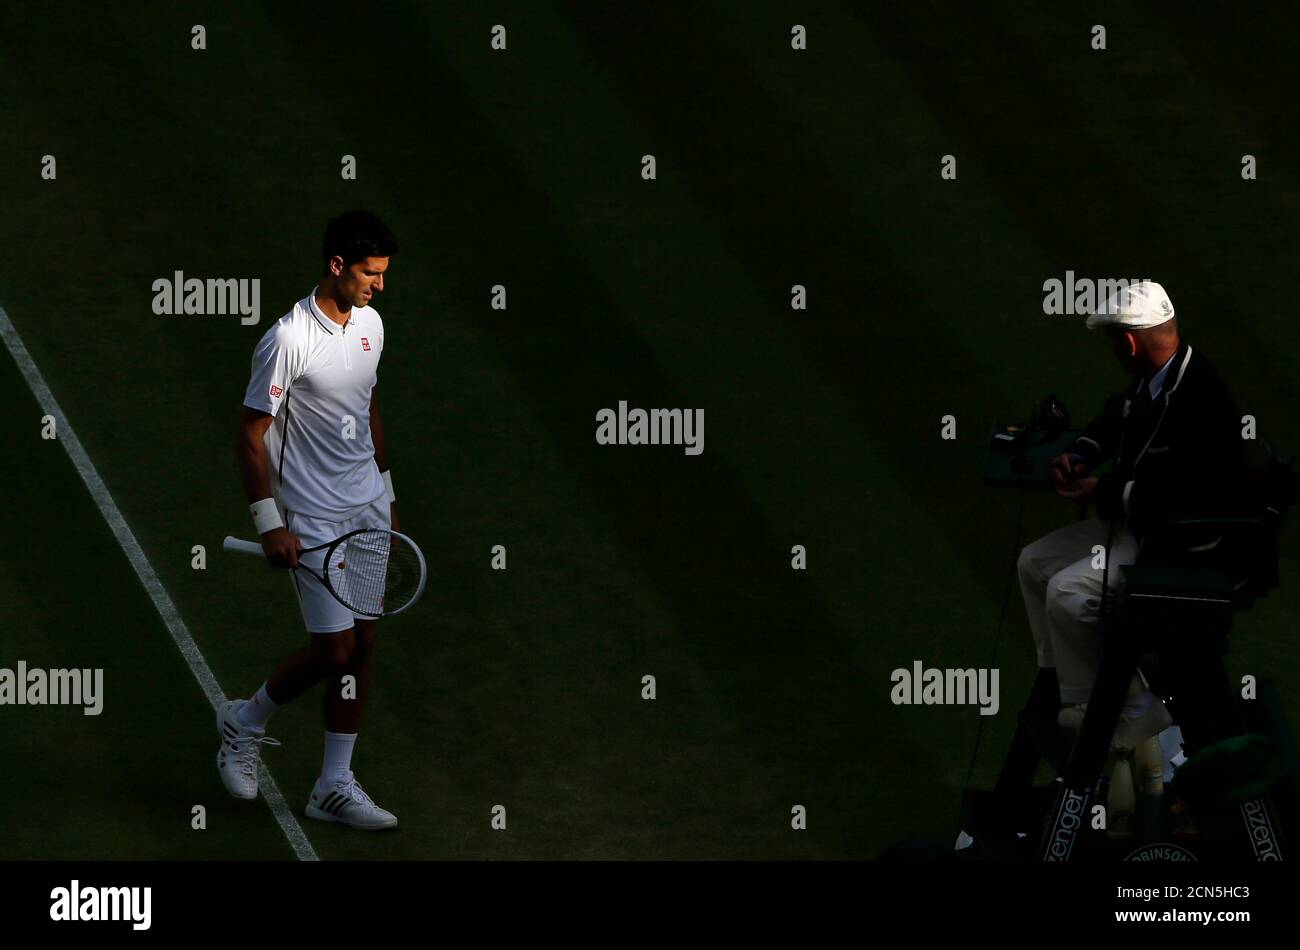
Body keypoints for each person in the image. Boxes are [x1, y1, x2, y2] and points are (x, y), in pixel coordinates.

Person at [217, 210, 401, 829]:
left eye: (382, 275)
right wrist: (269, 522)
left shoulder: (371, 324)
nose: (378, 286)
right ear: (337, 266)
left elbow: (369, 401)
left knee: (365, 644)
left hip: (367, 505)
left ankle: (333, 785)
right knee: (334, 650)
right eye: (370, 274)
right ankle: (244, 721)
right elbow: (249, 432)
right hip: (314, 515)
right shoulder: (289, 339)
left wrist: (387, 487)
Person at [1017, 280, 1245, 749]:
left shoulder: (1202, 397)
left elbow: (1188, 495)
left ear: (1129, 342)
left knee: (1065, 592)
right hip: (1133, 527)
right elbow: (1115, 419)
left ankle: (1117, 710)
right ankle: (1073, 686)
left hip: (1170, 546)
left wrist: (1104, 488)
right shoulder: (1156, 376)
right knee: (1032, 563)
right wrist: (1081, 454)